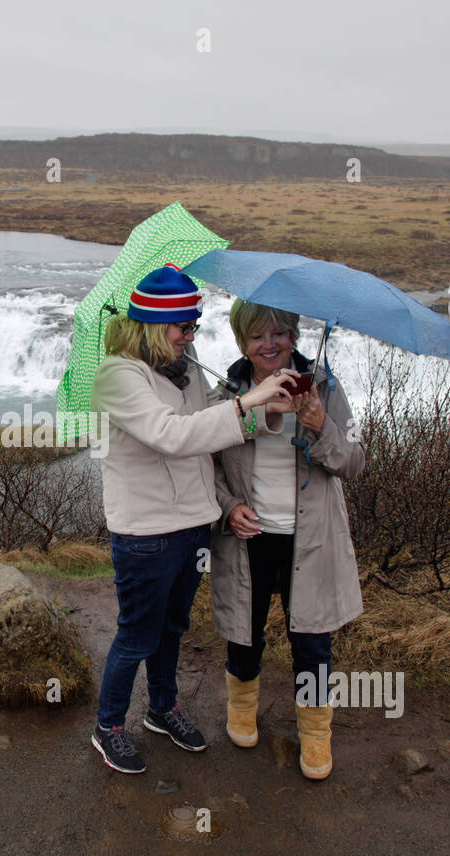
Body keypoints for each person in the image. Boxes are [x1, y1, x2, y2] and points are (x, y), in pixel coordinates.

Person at [90, 266, 293, 774]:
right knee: (137, 634)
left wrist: (269, 408)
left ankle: (162, 709)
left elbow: (212, 425)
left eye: (195, 327)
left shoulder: (186, 365)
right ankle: (109, 725)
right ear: (156, 326)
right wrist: (250, 399)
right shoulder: (119, 374)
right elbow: (174, 435)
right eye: (184, 327)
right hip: (145, 532)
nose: (191, 336)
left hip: (192, 524)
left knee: (172, 628)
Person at [209, 300, 365, 779]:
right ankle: (242, 707)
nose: (270, 344)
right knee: (244, 634)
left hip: (310, 539)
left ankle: (316, 734)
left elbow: (355, 463)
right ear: (242, 343)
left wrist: (320, 426)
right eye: (258, 336)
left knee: (313, 643)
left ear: (295, 335)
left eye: (279, 332)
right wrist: (229, 508)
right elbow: (203, 466)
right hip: (249, 538)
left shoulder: (325, 388)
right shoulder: (228, 394)